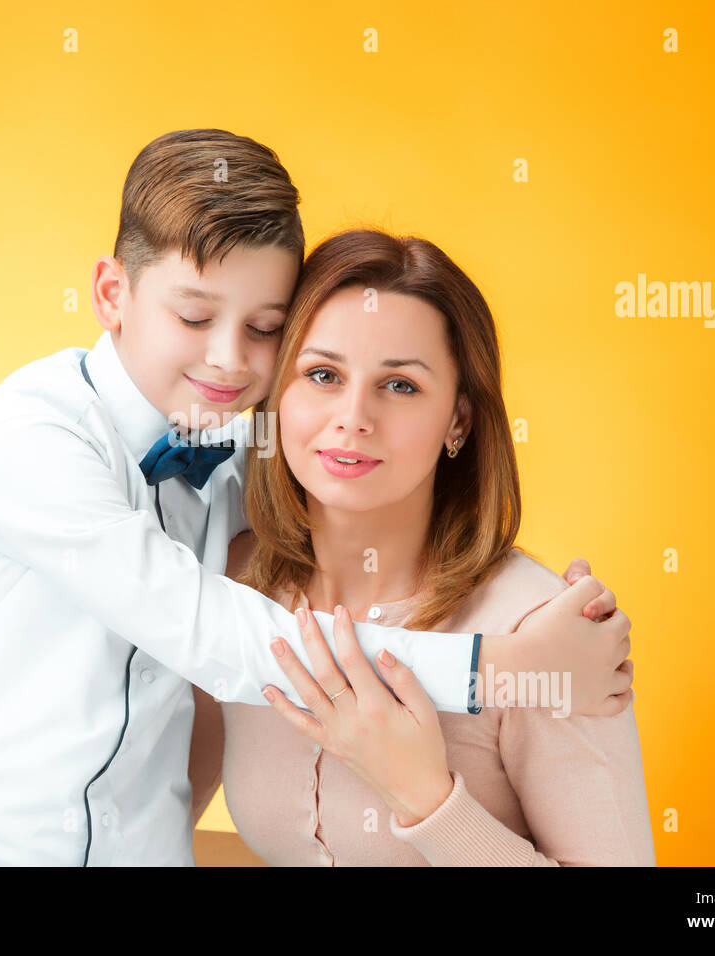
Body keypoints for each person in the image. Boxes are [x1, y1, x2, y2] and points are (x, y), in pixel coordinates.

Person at [0, 130, 634, 866]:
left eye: (264, 328)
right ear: (110, 294)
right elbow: (210, 633)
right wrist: (501, 671)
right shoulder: (35, 439)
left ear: (460, 415)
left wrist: (446, 773)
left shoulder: (236, 476)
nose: (229, 361)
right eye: (194, 315)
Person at [190, 229, 654, 865]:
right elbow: (165, 801)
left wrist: (425, 797)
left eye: (401, 385)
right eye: (322, 374)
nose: (353, 417)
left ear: (458, 420)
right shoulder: (236, 581)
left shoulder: (548, 636)